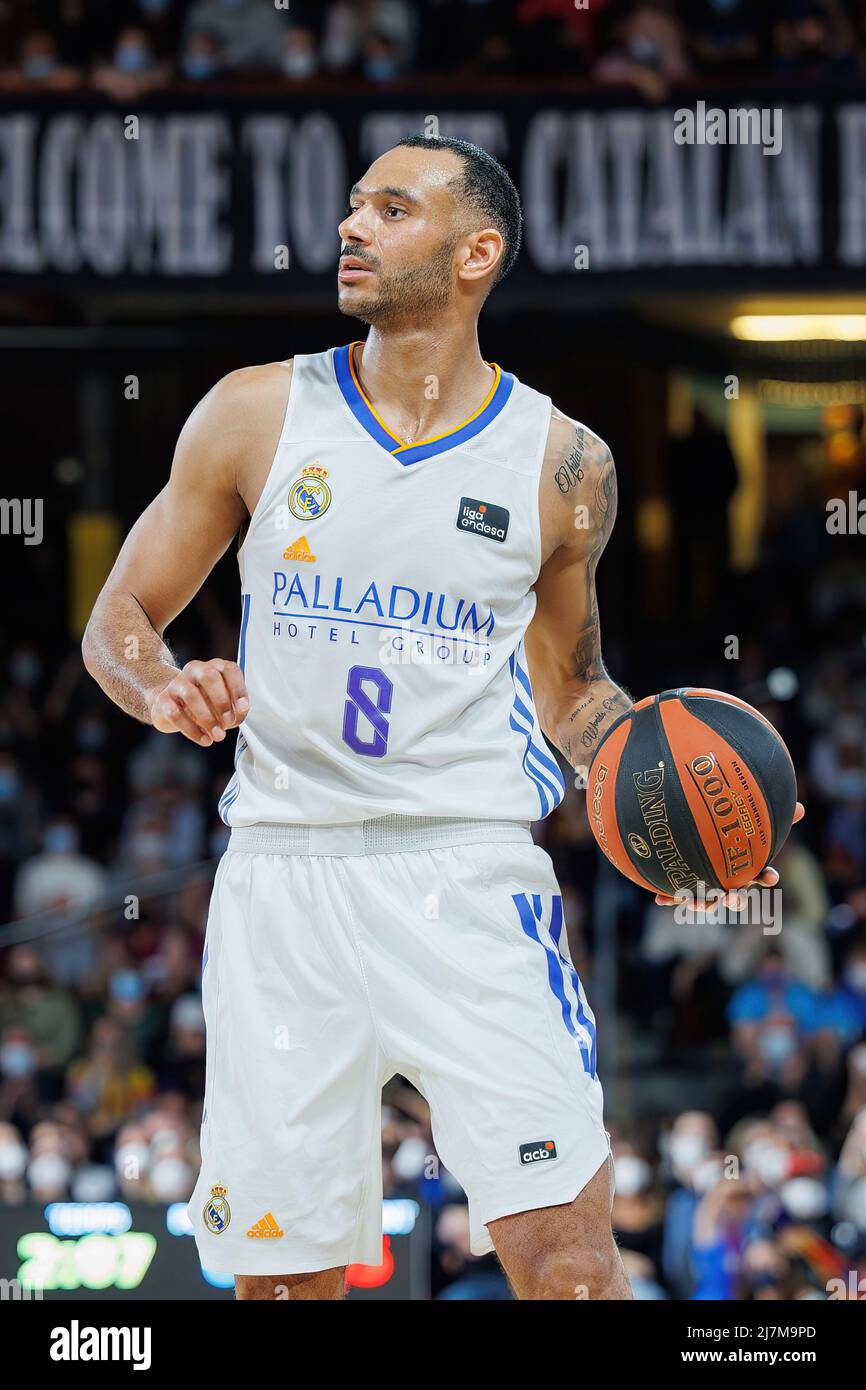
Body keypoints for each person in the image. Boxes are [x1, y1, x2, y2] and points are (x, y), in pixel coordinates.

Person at [82, 135, 799, 1300]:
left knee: (567, 1264)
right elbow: (118, 614)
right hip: (281, 879)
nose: (352, 227)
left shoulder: (563, 463)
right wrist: (158, 682)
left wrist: (703, 803)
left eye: (392, 209)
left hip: (465, 882)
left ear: (478, 252)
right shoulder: (255, 412)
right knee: (284, 1286)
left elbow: (573, 689)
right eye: (354, 206)